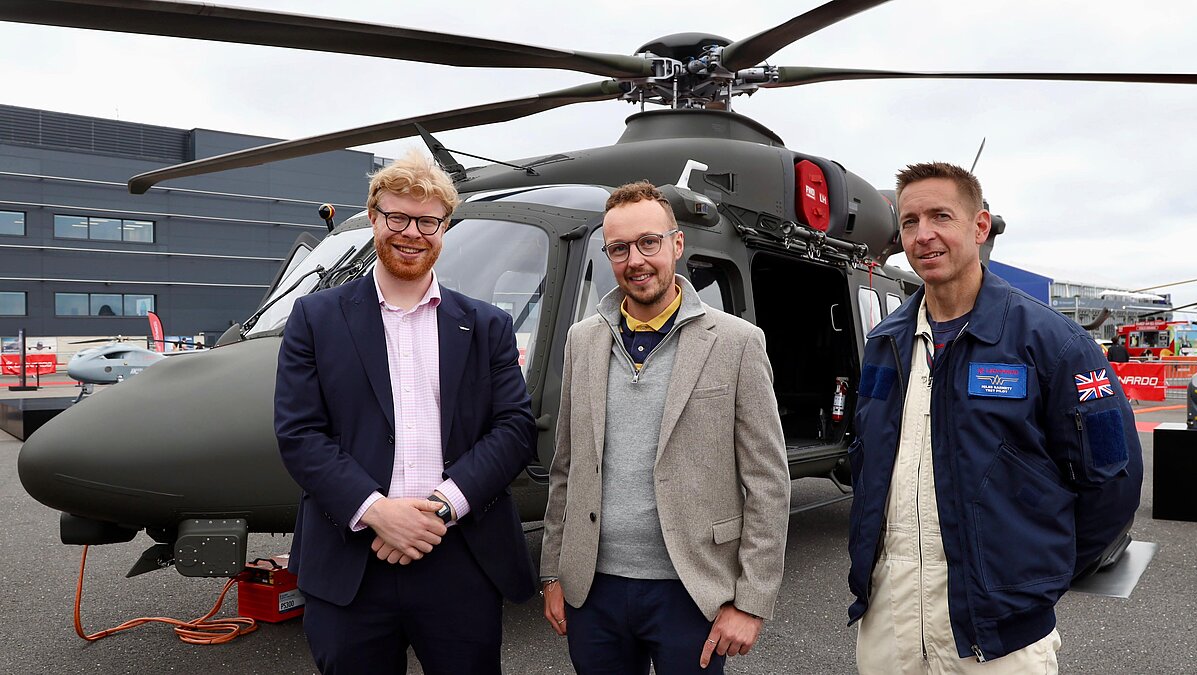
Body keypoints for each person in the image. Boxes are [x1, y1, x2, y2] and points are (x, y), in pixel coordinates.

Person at [847, 162, 1142, 674]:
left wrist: (1032, 580)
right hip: (890, 624)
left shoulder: (1052, 343)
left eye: (942, 216)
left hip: (1001, 637)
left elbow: (1111, 482)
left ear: (980, 227)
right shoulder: (884, 343)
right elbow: (868, 461)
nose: (925, 235)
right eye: (911, 221)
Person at [274, 151, 537, 674]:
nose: (411, 233)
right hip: (353, 561)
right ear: (374, 218)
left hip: (459, 556)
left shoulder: (487, 325)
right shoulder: (315, 318)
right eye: (397, 217)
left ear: (444, 228)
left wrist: (439, 508)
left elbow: (514, 428)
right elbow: (300, 434)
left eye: (427, 221)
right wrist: (378, 512)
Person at [540, 181, 791, 674]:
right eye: (619, 248)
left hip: (693, 590)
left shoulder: (737, 344)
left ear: (677, 244)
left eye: (648, 243)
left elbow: (768, 482)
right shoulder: (582, 341)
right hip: (593, 592)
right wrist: (552, 571)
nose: (635, 259)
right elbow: (565, 466)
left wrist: (752, 601)